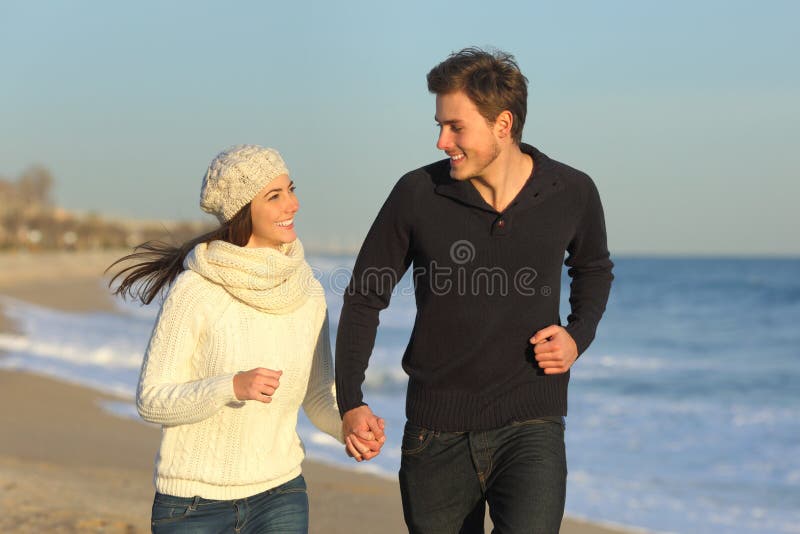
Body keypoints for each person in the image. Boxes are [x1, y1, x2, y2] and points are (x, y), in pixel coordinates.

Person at [335, 48, 614, 533]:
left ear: (502, 124)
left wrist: (577, 335)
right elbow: (364, 295)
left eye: (455, 127)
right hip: (434, 434)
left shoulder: (572, 191)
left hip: (532, 423)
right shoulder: (417, 193)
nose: (442, 140)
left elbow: (592, 268)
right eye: (440, 125)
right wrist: (351, 401)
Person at [109, 144, 370, 533]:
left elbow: (317, 397)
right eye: (275, 195)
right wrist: (231, 386)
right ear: (242, 209)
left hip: (281, 494)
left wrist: (346, 424)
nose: (293, 204)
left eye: (291, 189)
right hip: (192, 505)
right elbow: (151, 400)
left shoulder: (308, 292)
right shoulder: (196, 289)